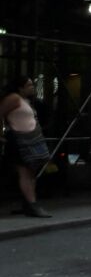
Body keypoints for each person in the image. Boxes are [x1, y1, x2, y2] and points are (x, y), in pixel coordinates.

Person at [2, 78, 51, 218]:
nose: (32, 87)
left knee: (30, 173)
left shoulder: (26, 100)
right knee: (24, 173)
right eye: (28, 85)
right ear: (20, 88)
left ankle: (30, 203)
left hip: (31, 139)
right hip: (19, 139)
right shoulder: (13, 98)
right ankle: (32, 204)